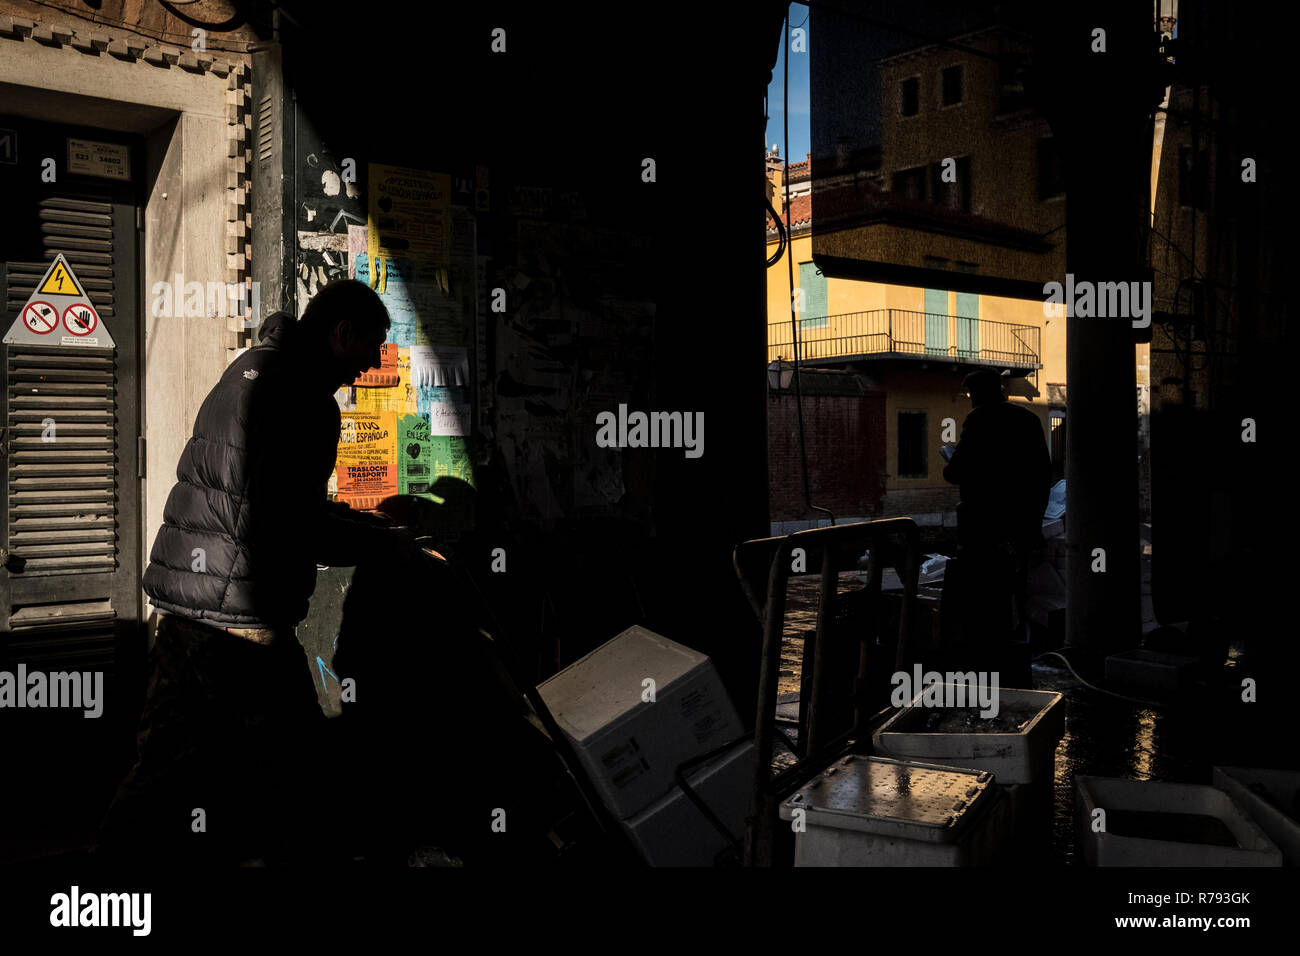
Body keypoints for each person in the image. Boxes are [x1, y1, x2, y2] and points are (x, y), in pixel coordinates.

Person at [94, 279, 426, 864]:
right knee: (299, 778)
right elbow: (291, 523)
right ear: (342, 332)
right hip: (241, 622)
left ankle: (101, 883)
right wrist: (385, 547)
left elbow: (268, 497)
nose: (370, 366)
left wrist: (363, 524)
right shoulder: (304, 398)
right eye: (369, 348)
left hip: (186, 610)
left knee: (162, 767)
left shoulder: (250, 370)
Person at [940, 369, 1052, 685]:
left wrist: (949, 456)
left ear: (978, 394)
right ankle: (1017, 662)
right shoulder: (1029, 420)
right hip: (1021, 524)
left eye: (971, 395)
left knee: (984, 599)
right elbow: (1042, 474)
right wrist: (1033, 523)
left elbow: (955, 472)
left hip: (983, 527)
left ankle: (987, 668)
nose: (970, 401)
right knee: (1017, 593)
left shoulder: (978, 420)